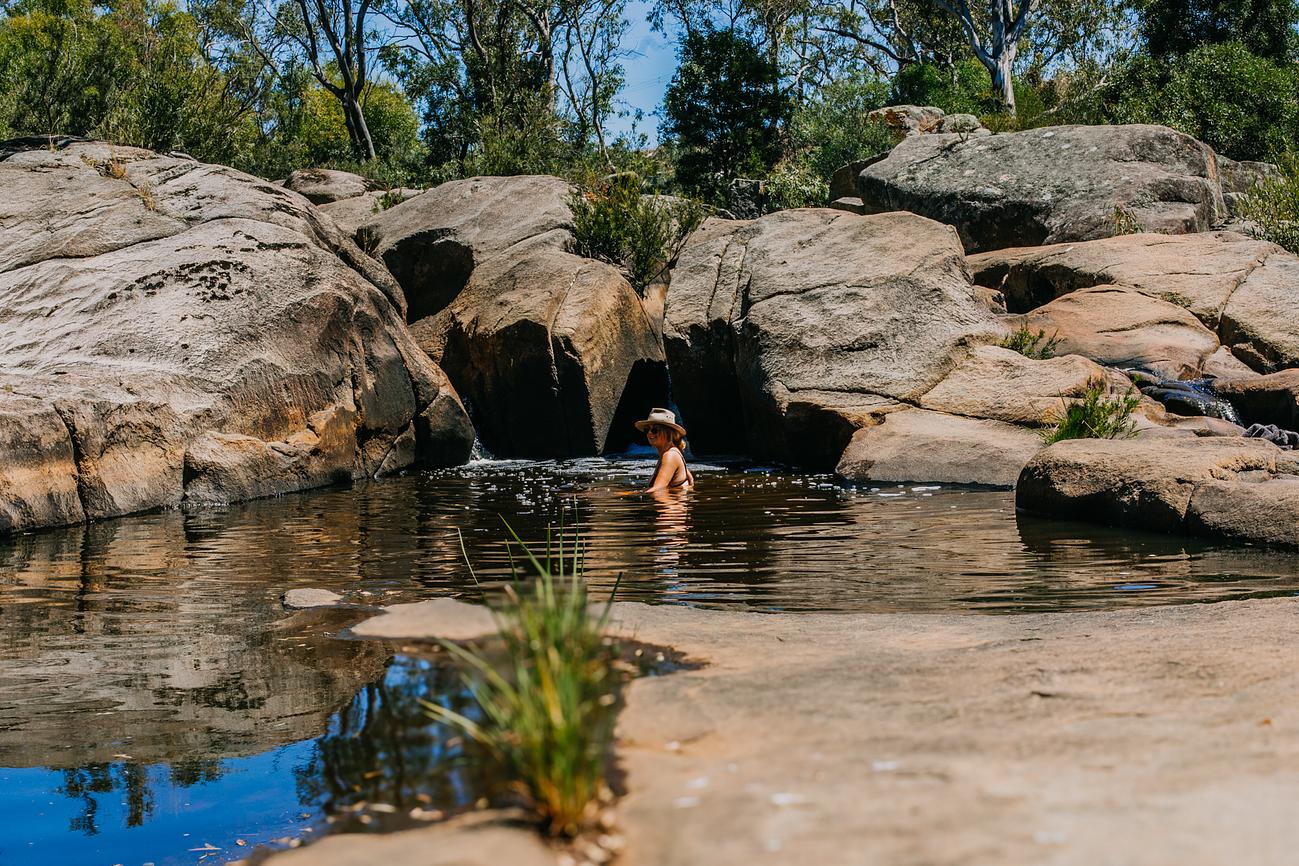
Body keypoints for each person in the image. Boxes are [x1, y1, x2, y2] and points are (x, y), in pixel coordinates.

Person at [634, 408, 695, 493]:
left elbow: (658, 489)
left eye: (655, 430)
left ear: (668, 432)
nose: (649, 433)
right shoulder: (671, 453)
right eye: (647, 429)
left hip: (667, 505)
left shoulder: (670, 456)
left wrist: (628, 494)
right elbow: (690, 480)